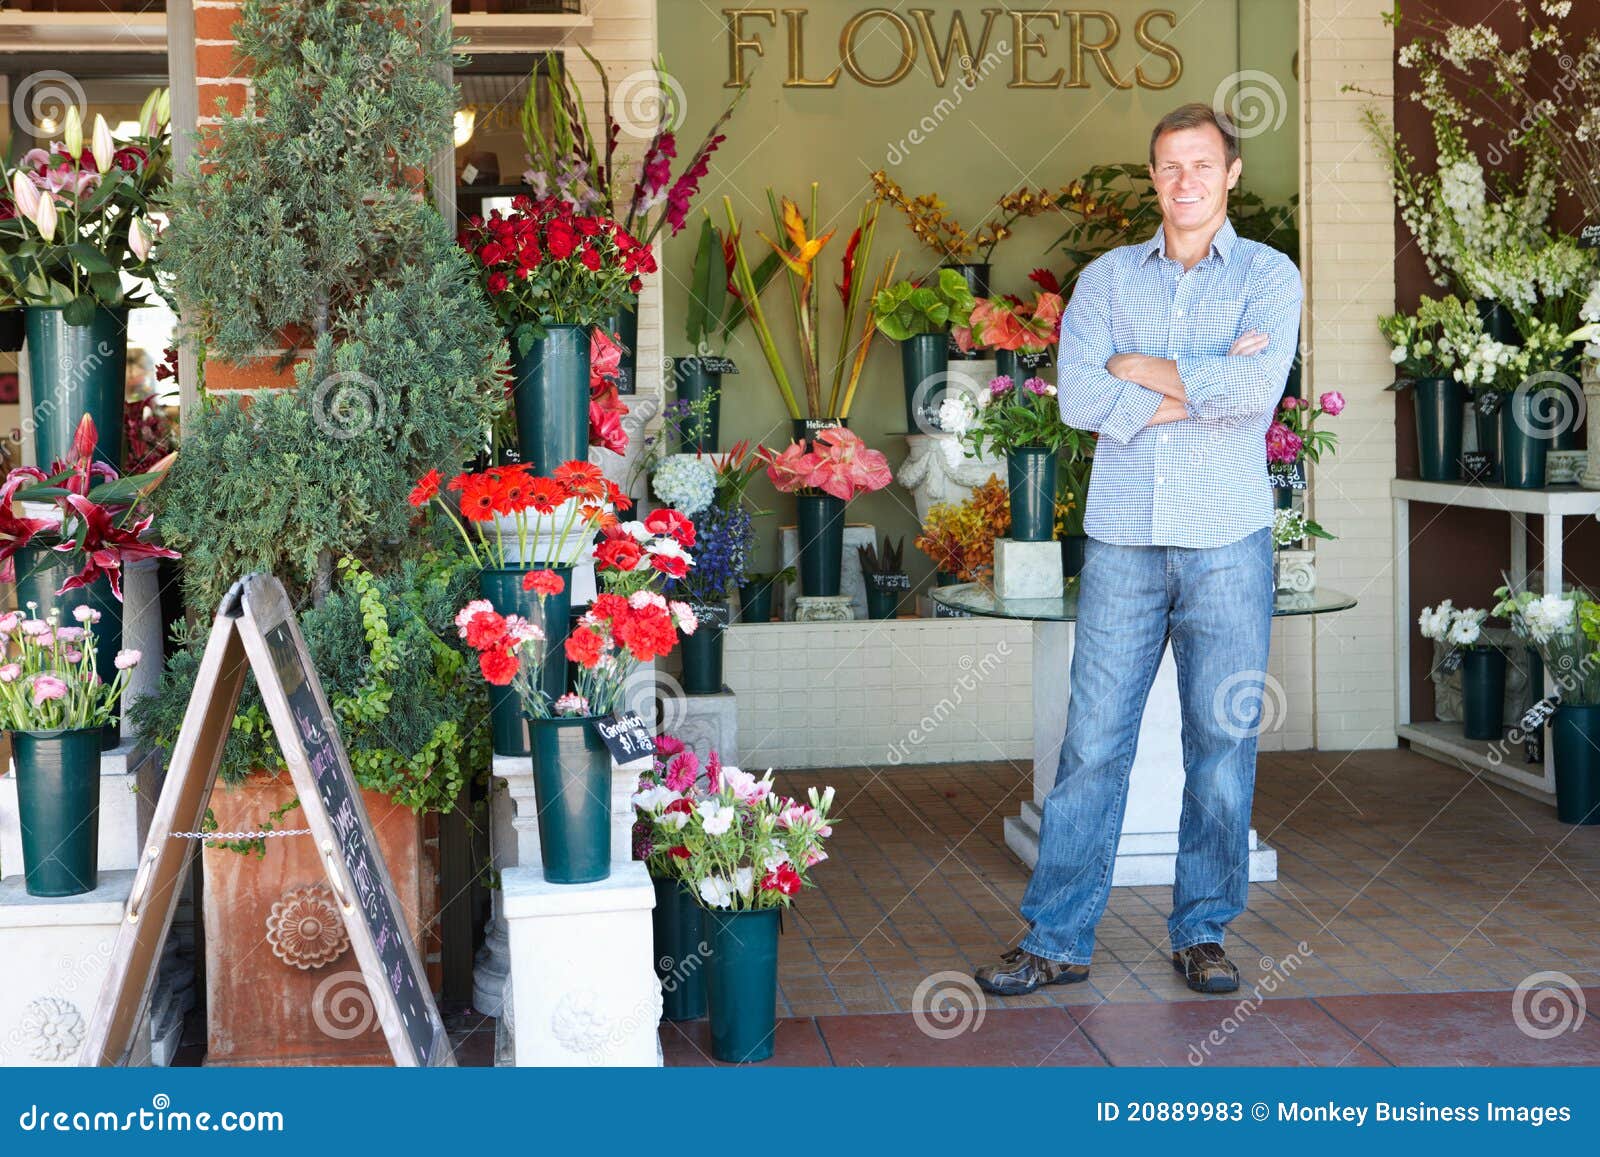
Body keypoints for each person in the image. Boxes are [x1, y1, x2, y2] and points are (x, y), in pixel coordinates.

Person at [975, 102, 1304, 997]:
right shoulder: (1109, 281)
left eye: (1202, 164)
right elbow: (1079, 397)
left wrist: (1140, 369)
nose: (1185, 181)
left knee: (1222, 743)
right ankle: (1056, 938)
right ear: (1153, 177)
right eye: (1169, 166)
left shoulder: (1272, 277)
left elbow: (1255, 395)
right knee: (1090, 745)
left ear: (1231, 173)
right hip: (1122, 540)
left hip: (1226, 540)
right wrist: (1194, 381)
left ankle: (1202, 931)